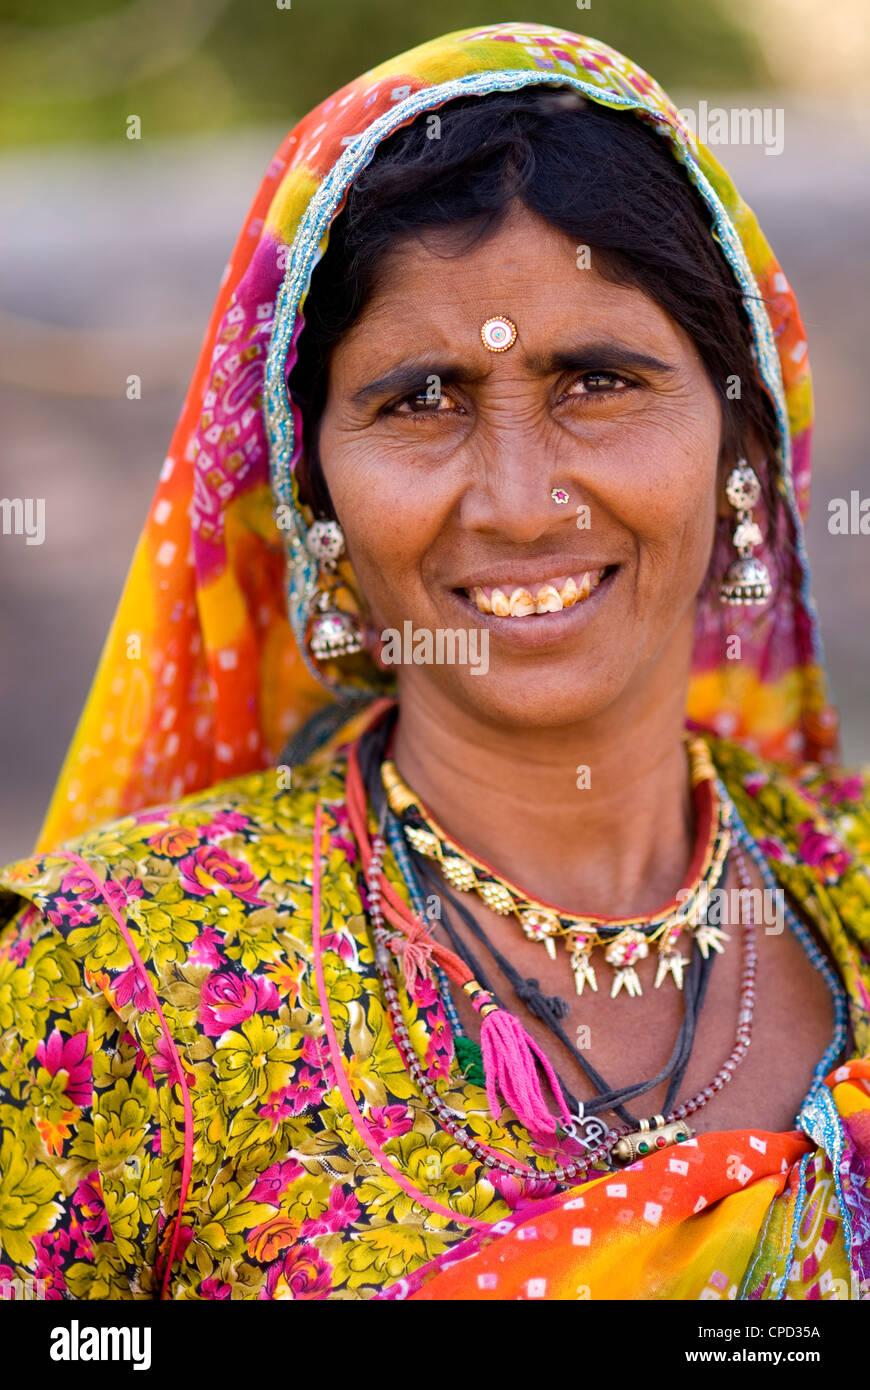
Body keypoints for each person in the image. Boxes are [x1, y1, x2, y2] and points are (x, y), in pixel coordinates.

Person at [1, 21, 868, 1303]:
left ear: (743, 438)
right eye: (420, 399)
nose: (518, 504)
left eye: (599, 380)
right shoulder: (117, 975)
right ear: (312, 490)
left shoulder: (847, 895)